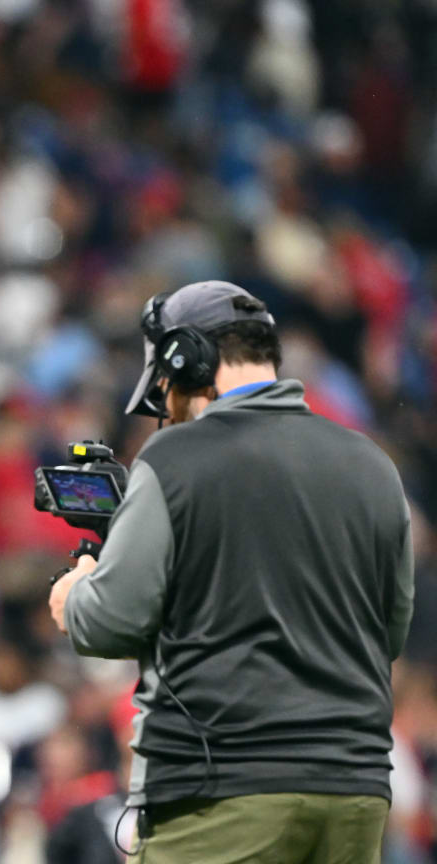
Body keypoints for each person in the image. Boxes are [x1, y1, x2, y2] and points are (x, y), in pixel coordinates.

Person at [48, 280, 416, 863]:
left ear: (185, 360)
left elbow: (111, 622)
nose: (165, 406)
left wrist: (75, 596)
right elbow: (389, 635)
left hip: (223, 791)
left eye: (165, 386)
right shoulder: (372, 464)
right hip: (356, 791)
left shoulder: (175, 459)